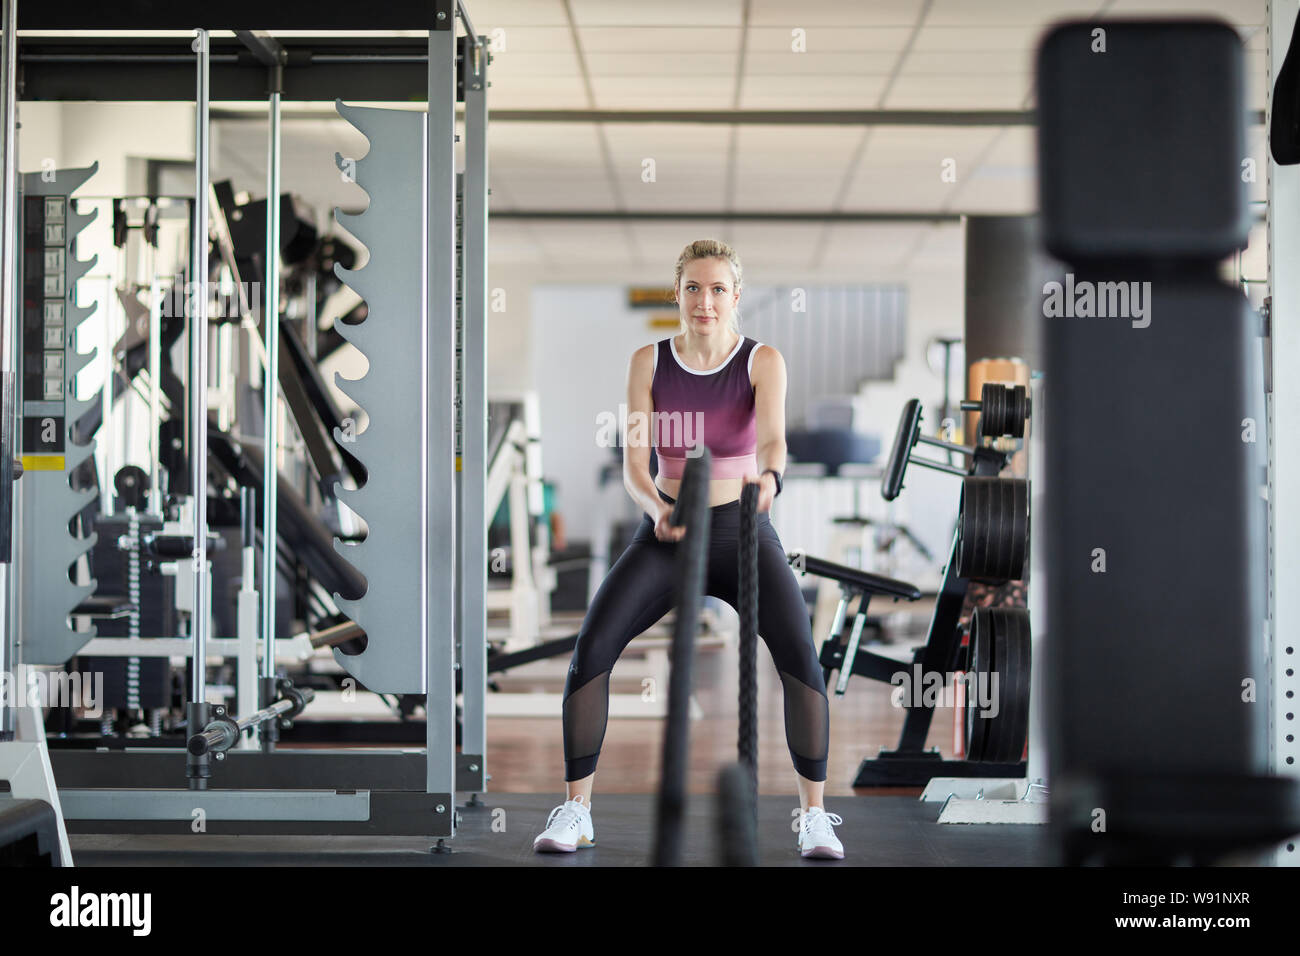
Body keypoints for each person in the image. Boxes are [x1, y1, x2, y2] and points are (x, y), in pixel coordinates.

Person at [533, 239, 842, 861]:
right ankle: (576, 809)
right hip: (667, 530)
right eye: (694, 288)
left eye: (719, 288)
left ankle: (814, 816)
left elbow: (775, 441)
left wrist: (772, 481)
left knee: (801, 660)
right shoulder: (648, 361)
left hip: (742, 528)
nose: (706, 300)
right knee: (592, 648)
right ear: (677, 294)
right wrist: (657, 511)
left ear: (736, 297)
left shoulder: (762, 361)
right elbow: (634, 464)